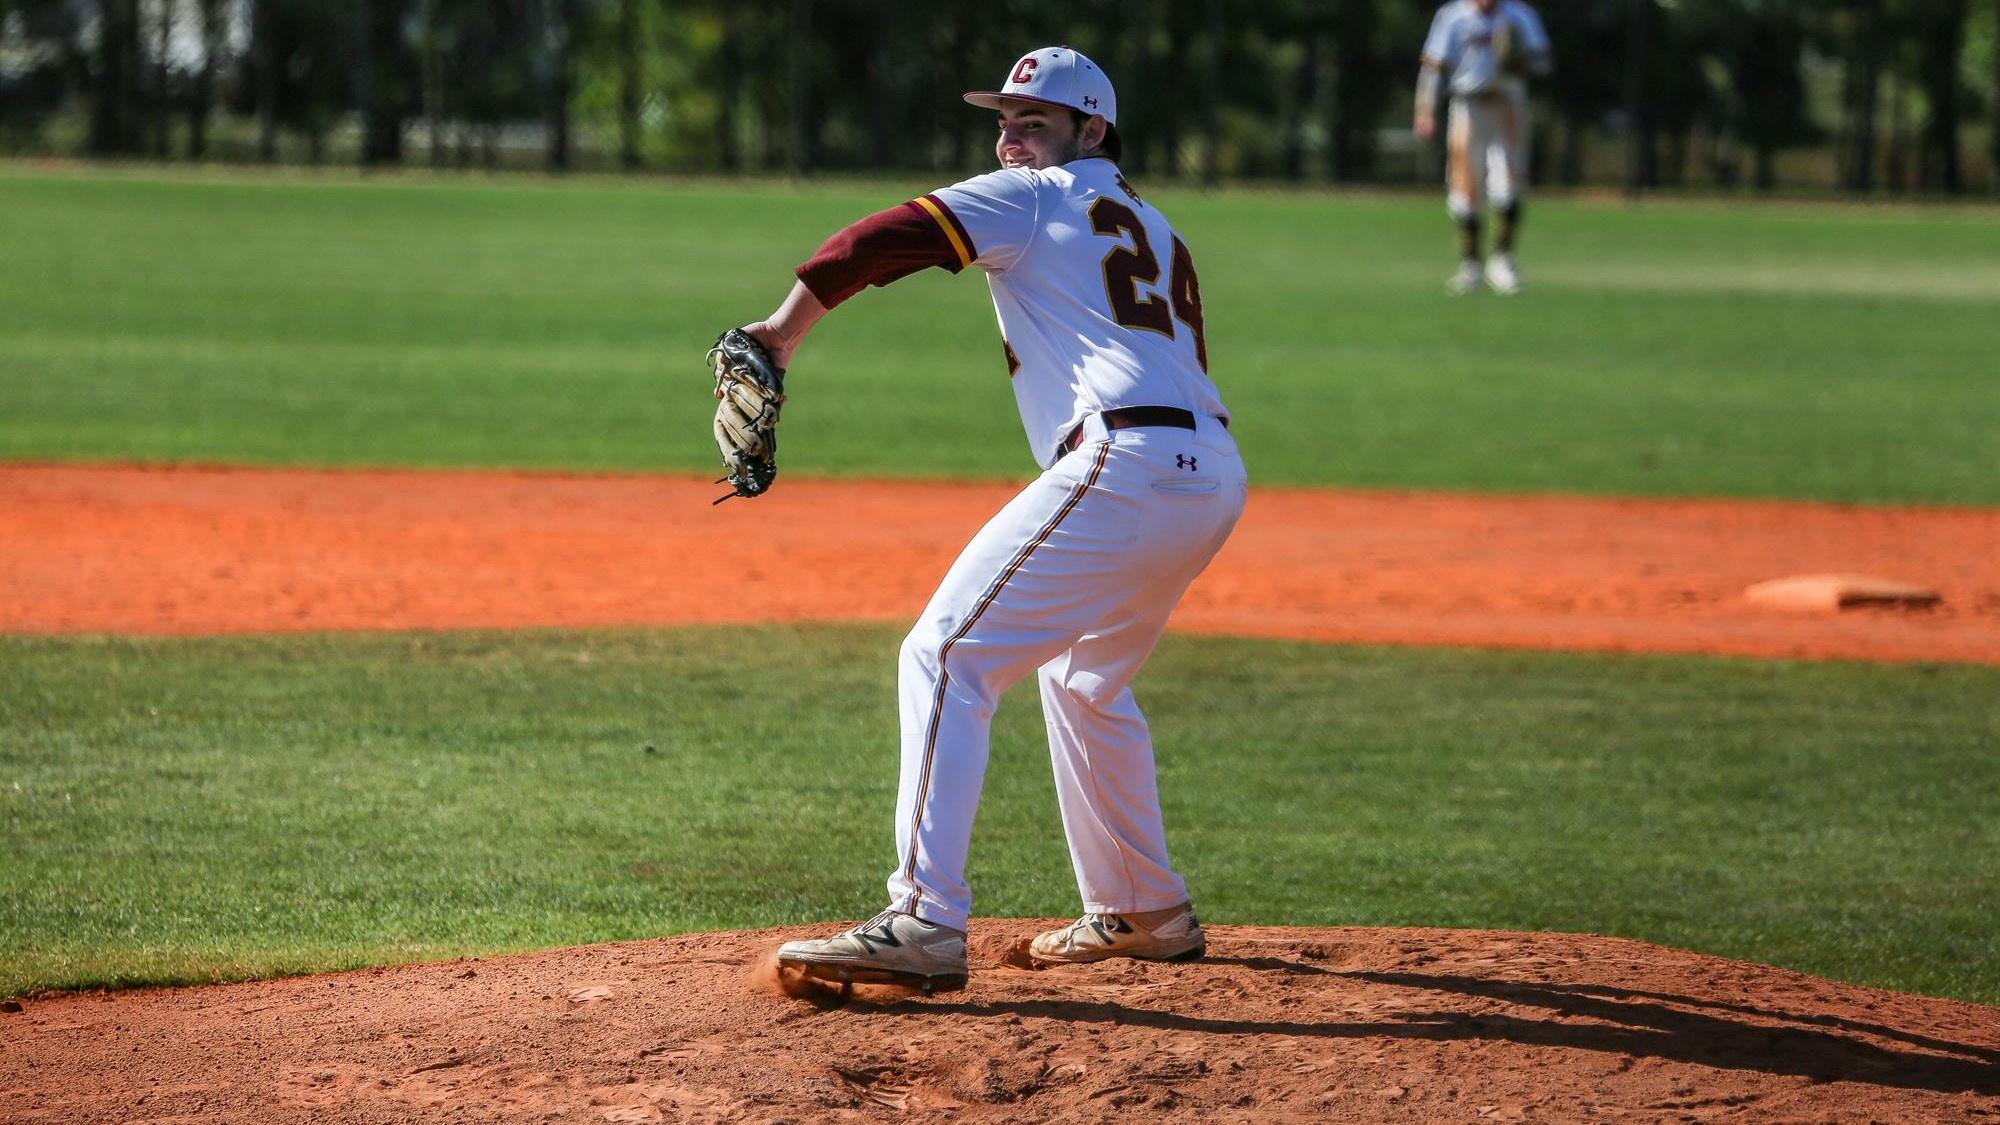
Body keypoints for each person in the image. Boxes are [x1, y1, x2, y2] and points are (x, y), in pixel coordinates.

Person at [746, 45, 1247, 994]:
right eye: (1006, 123)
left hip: (1126, 463)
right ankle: (1144, 906)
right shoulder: (1154, 221)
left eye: (1036, 122)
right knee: (1084, 678)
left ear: (1091, 131)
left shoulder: (1037, 195)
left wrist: (780, 333)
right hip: (1210, 473)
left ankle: (924, 917)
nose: (1012, 139)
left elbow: (881, 239)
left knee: (945, 654)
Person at [1415, 0, 1552, 295]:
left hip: (1508, 103)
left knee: (1510, 181)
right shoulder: (1453, 16)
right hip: (1468, 105)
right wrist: (1425, 109)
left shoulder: (1519, 15)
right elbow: (1433, 66)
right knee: (1465, 185)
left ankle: (1503, 260)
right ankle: (1471, 264)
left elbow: (1542, 62)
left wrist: (1522, 62)